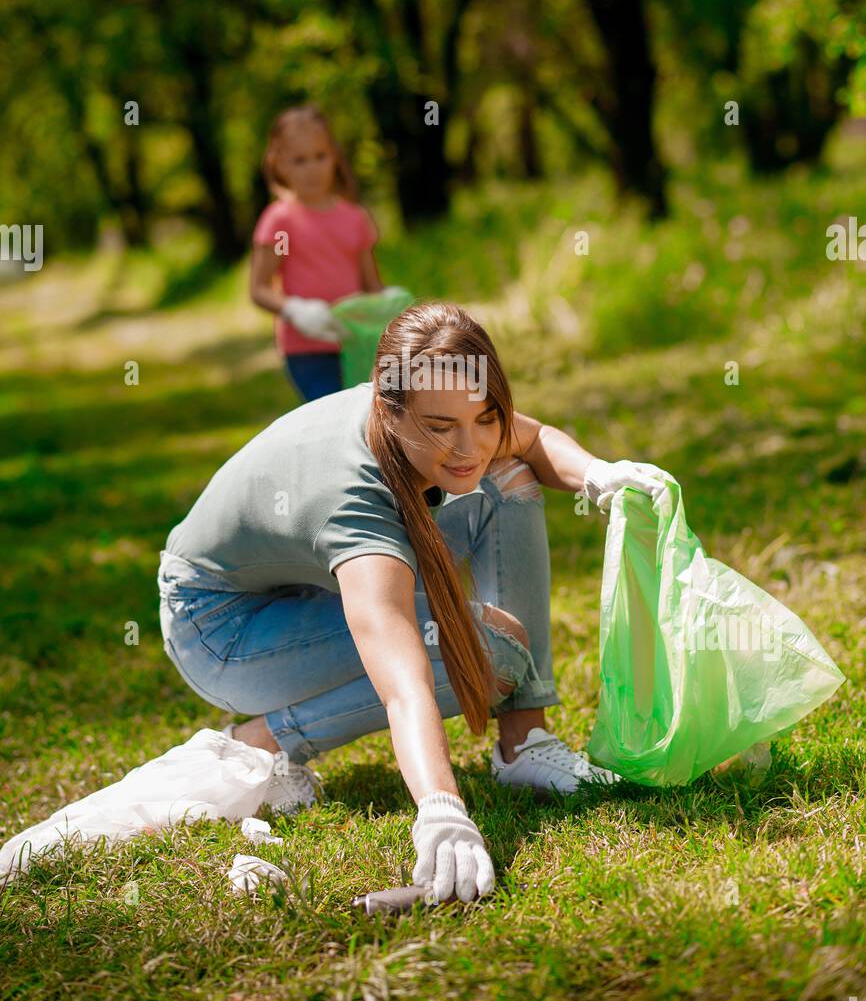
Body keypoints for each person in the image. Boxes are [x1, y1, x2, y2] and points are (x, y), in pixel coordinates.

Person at [156, 302, 665, 903]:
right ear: (388, 407)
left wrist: (599, 474)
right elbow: (404, 681)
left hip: (300, 585)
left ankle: (524, 742)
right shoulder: (353, 501)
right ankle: (264, 740)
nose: (469, 445)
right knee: (491, 655)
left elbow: (533, 440)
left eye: (484, 417)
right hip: (223, 629)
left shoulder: (439, 405)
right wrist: (442, 809)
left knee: (510, 478)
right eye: (442, 427)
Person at [249, 104, 385, 401]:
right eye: (299, 160)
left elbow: (373, 285)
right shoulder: (280, 221)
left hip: (356, 344)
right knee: (331, 419)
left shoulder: (355, 218)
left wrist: (390, 306)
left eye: (319, 157)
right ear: (279, 164)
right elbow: (259, 289)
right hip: (307, 348)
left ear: (334, 156)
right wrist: (296, 311)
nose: (312, 168)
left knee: (367, 426)